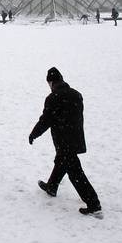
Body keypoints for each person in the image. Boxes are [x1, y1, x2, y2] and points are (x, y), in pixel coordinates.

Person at [28, 68, 101, 216]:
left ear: (51, 82)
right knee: (61, 162)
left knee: (75, 172)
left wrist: (34, 134)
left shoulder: (53, 98)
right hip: (76, 138)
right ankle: (52, 186)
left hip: (63, 140)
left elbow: (45, 120)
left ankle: (94, 204)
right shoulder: (76, 95)